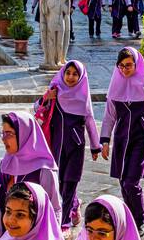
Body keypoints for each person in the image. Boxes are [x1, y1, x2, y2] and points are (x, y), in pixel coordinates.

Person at [101, 48, 144, 235]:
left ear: (137, 64)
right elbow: (109, 116)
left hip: (141, 139)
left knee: (131, 182)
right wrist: (105, 140)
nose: (124, 69)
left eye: (128, 65)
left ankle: (140, 218)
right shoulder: (115, 84)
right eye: (121, 66)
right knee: (123, 181)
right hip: (122, 140)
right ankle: (129, 218)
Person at [39, 60, 102, 230]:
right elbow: (37, 108)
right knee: (59, 183)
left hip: (75, 147)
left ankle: (65, 223)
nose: (71, 77)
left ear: (81, 77)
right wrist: (46, 97)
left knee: (70, 182)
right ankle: (74, 205)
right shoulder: (55, 91)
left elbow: (90, 120)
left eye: (75, 74)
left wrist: (95, 146)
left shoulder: (83, 97)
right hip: (56, 146)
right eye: (68, 73)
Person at [0, 112, 62, 225]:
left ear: (24, 135)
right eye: (3, 134)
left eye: (9, 134)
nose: (3, 139)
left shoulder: (44, 170)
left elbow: (54, 209)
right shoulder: (6, 164)